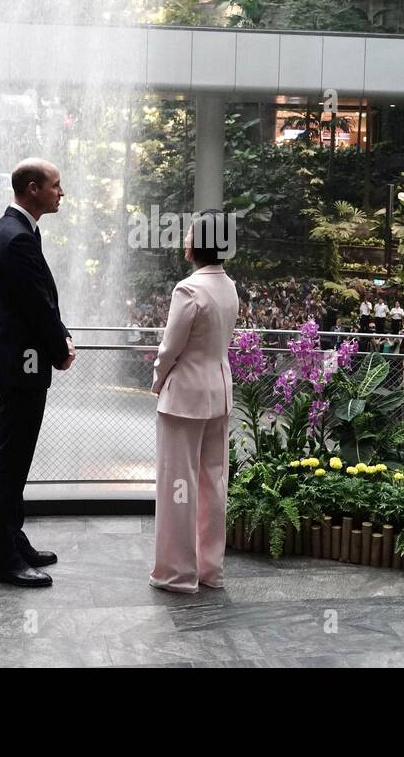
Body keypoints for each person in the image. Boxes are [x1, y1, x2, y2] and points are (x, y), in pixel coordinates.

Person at [0, 157, 75, 588]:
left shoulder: (15, 231)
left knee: (15, 463)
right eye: (56, 186)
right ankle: (3, 562)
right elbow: (35, 306)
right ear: (33, 188)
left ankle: (13, 541)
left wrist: (62, 336)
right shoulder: (17, 237)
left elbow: (39, 299)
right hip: (23, 368)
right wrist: (59, 349)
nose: (62, 193)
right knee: (9, 464)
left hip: (20, 365)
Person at [149, 210, 240, 595]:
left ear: (198, 244)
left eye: (188, 234)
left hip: (184, 398)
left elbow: (171, 348)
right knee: (213, 482)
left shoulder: (188, 290)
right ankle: (210, 569)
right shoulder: (229, 287)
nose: (184, 239)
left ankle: (176, 572)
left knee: (177, 485)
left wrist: (157, 380)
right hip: (218, 394)